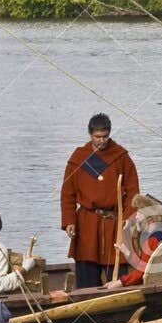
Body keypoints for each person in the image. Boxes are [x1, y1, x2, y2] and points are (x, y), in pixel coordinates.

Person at [60, 113, 139, 289]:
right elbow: (67, 193)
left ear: (109, 133)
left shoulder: (121, 157)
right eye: (97, 137)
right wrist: (69, 221)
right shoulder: (79, 158)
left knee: (117, 273)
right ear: (90, 134)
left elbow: (133, 192)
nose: (101, 141)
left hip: (114, 223)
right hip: (87, 224)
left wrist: (128, 220)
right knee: (86, 272)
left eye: (105, 136)